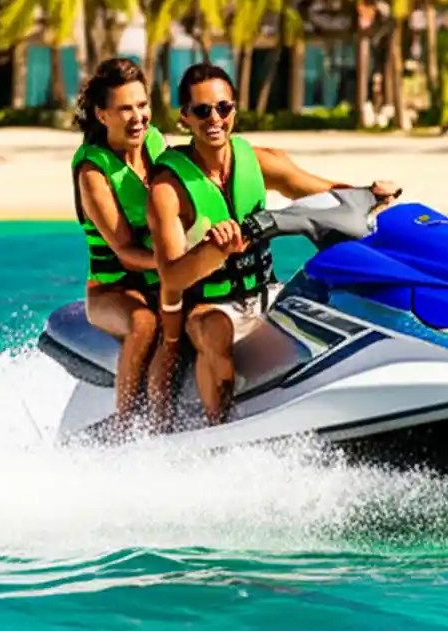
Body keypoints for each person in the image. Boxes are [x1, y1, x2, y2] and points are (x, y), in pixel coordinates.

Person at [145, 62, 400, 429]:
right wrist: (212, 251)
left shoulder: (258, 160)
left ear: (234, 108)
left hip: (268, 294)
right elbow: (171, 274)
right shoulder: (168, 189)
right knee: (214, 329)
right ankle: (219, 433)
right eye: (201, 111)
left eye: (223, 108)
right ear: (184, 116)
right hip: (206, 308)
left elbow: (322, 189)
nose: (214, 118)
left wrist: (372, 195)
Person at [71, 57, 166, 423]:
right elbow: (125, 251)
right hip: (111, 290)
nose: (137, 117)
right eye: (125, 109)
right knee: (145, 323)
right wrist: (177, 261)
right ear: (102, 114)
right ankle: (128, 425)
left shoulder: (156, 144)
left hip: (161, 280)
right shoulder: (94, 170)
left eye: (142, 105)